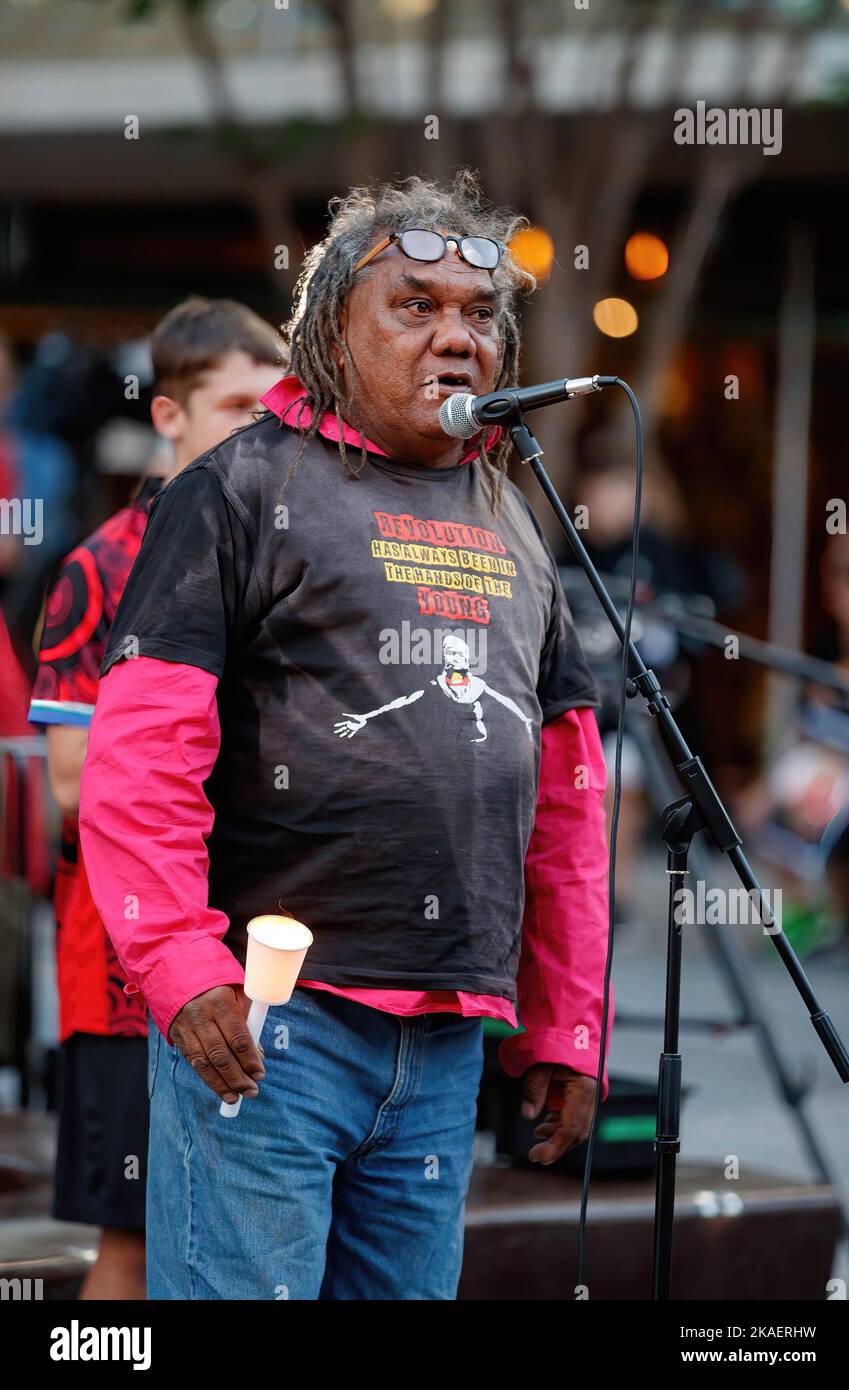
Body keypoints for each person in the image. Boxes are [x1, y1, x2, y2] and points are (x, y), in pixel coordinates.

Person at [79, 172, 613, 1301]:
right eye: (412, 307)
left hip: (444, 1045)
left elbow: (566, 800)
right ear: (329, 332)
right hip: (270, 1031)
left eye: (477, 315)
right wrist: (181, 968)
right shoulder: (234, 491)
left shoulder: (516, 517)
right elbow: (136, 757)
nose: (454, 337)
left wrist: (565, 1023)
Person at [28, 298, 283, 1299]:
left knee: (228, 1243)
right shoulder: (98, 565)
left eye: (276, 409)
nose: (261, 429)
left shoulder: (279, 545)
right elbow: (67, 783)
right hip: (124, 976)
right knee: (133, 1246)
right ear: (169, 414)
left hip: (246, 958)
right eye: (236, 406)